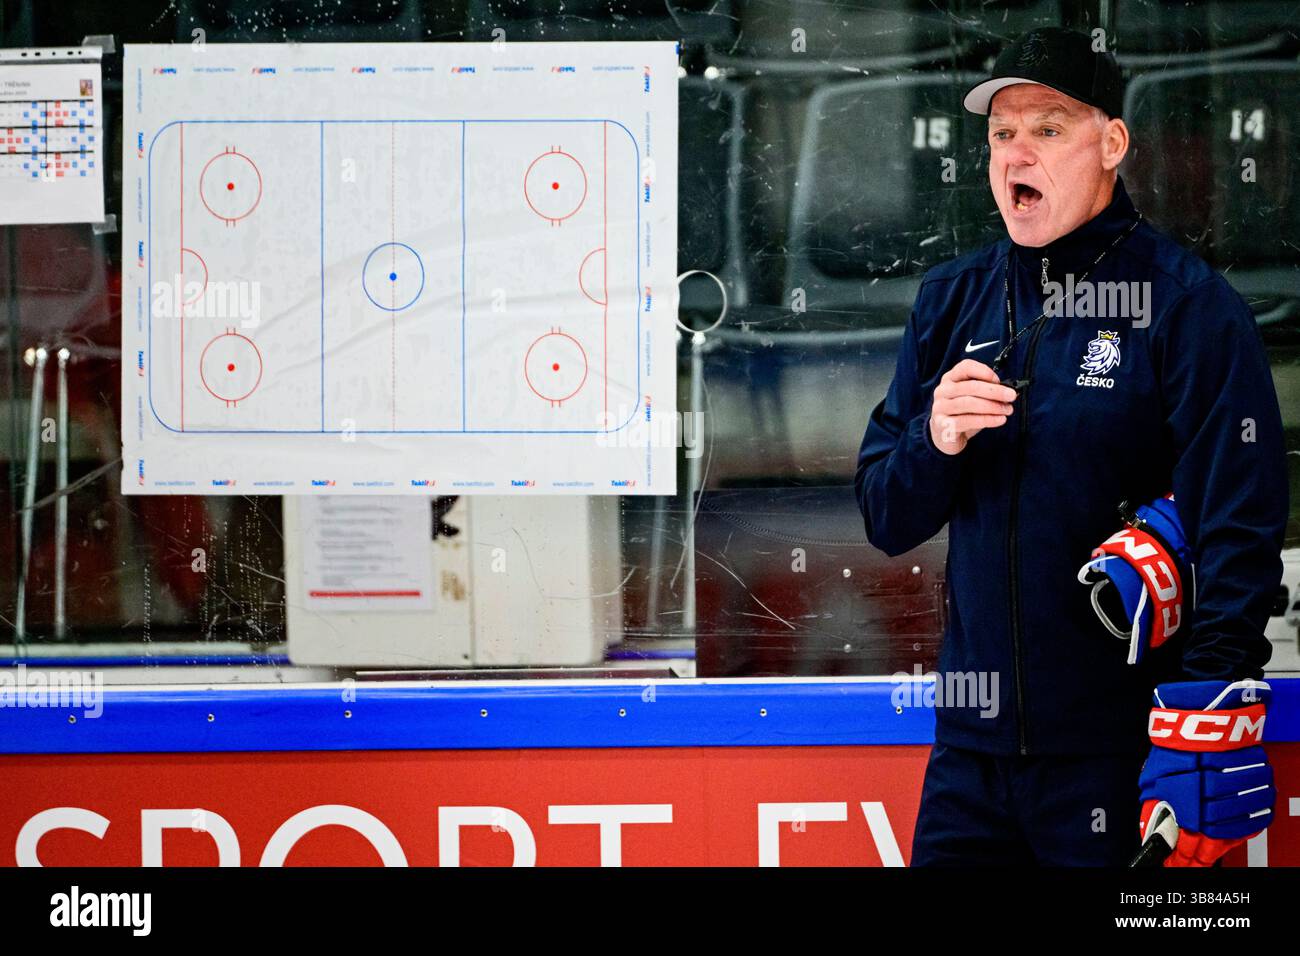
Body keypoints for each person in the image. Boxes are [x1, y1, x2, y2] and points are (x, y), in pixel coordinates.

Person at [854, 27, 1287, 866]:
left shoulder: (1187, 305)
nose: (1018, 154)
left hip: (1120, 757)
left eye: (1049, 130)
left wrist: (1202, 726)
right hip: (969, 761)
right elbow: (883, 514)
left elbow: (1239, 534)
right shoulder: (953, 299)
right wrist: (934, 439)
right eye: (1001, 134)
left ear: (1112, 144)